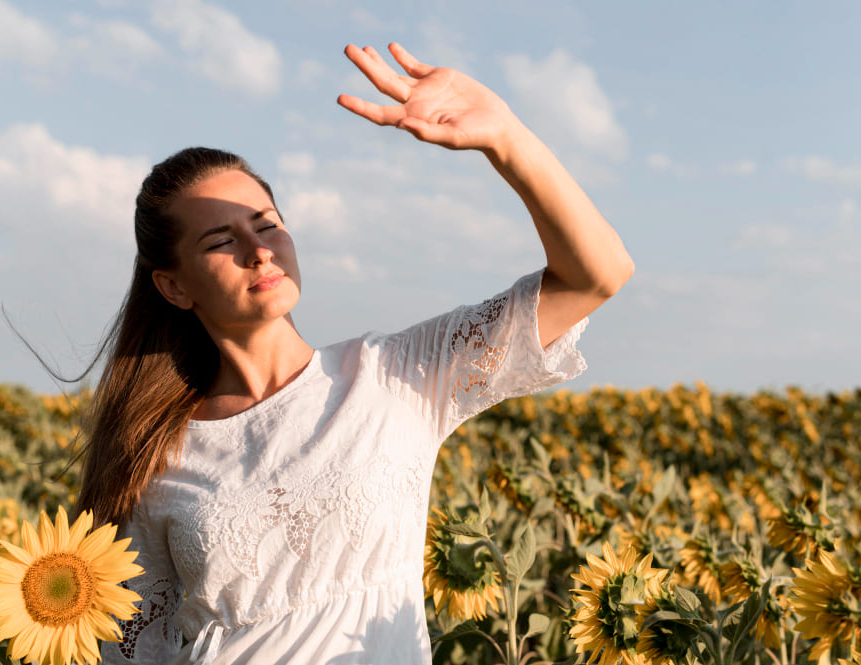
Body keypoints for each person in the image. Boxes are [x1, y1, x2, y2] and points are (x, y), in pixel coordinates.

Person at [86, 43, 634, 665]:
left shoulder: (396, 374)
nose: (259, 250)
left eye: (266, 224)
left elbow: (598, 274)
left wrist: (504, 137)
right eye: (221, 240)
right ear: (173, 285)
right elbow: (130, 652)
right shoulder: (158, 454)